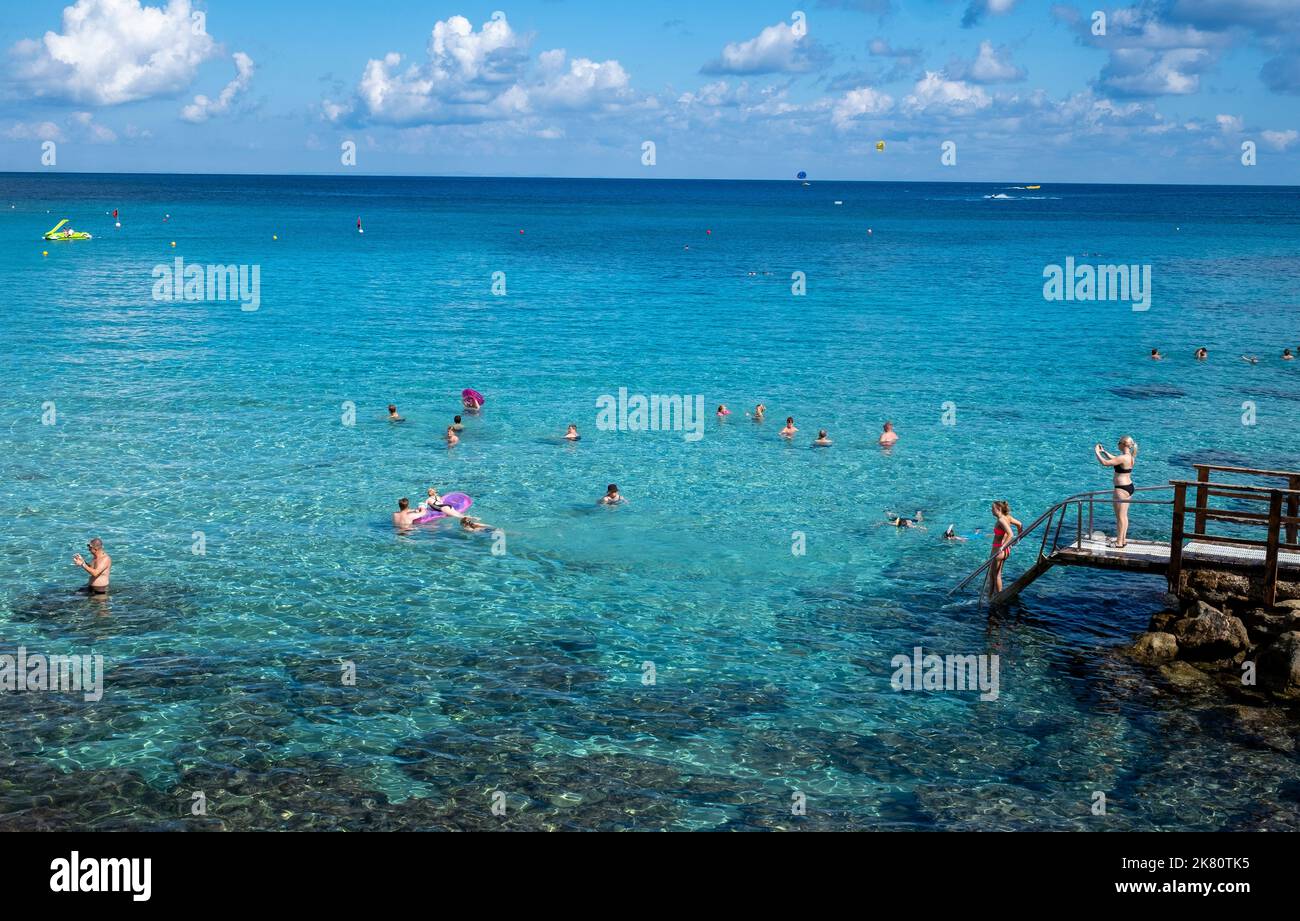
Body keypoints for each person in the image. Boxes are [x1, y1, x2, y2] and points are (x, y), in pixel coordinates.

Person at [1095, 436, 1138, 548]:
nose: (1117, 444)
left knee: (1120, 517)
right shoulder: (1130, 457)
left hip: (1121, 489)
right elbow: (1115, 459)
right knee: (1124, 516)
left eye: (1118, 442)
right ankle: (1122, 540)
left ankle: (1118, 543)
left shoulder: (1123, 458)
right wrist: (1104, 452)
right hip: (1129, 487)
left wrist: (1096, 452)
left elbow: (1105, 463)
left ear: (1123, 444)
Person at [988, 501, 1022, 595]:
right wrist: (1018, 539)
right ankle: (990, 596)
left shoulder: (1001, 520)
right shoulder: (1008, 518)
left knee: (996, 576)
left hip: (999, 550)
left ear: (998, 509)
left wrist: (1002, 546)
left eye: (993, 508)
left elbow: (1011, 534)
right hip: (1004, 550)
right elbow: (1019, 524)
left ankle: (998, 597)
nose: (991, 510)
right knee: (992, 575)